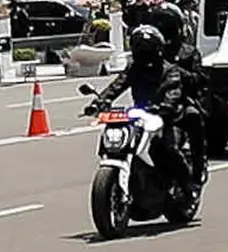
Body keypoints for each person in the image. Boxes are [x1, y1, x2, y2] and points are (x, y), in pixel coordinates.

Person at [86, 23, 204, 192]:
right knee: (123, 141)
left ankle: (187, 185)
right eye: (140, 49)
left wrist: (166, 106)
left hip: (167, 118)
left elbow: (173, 90)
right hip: (141, 117)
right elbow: (117, 85)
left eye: (147, 49)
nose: (144, 54)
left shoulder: (170, 70)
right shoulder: (134, 69)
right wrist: (100, 102)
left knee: (167, 148)